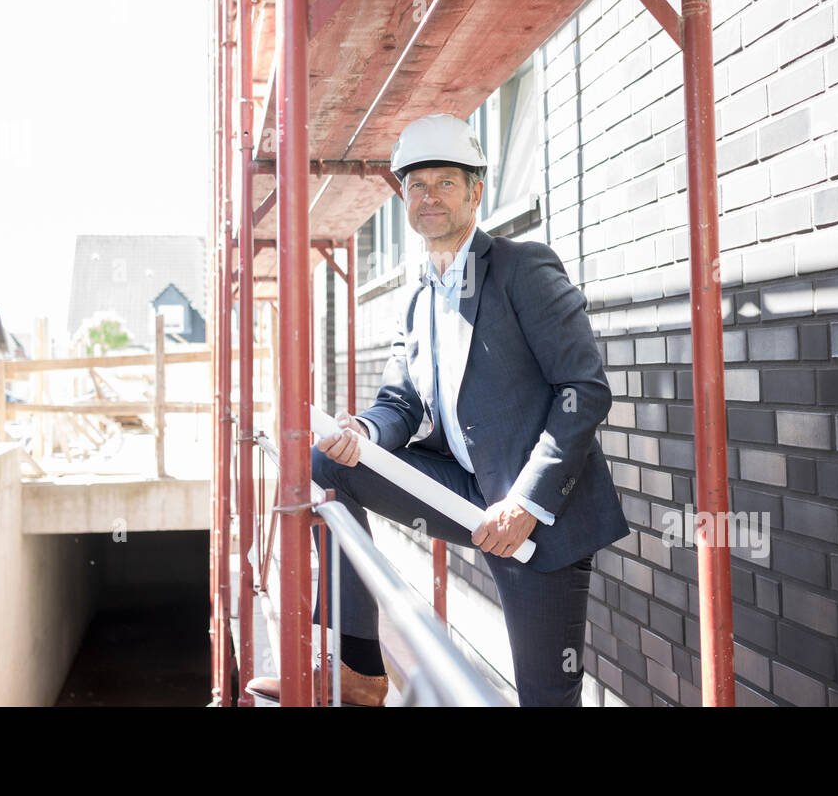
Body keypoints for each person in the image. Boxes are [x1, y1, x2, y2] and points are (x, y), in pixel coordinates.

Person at [247, 113, 630, 706]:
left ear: (476, 191)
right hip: (462, 492)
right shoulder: (415, 300)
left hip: (538, 514)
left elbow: (585, 390)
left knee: (545, 694)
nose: (429, 197)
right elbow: (398, 403)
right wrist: (363, 431)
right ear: (404, 197)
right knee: (330, 465)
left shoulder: (521, 269)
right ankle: (361, 670)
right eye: (417, 185)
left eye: (445, 183)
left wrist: (526, 504)